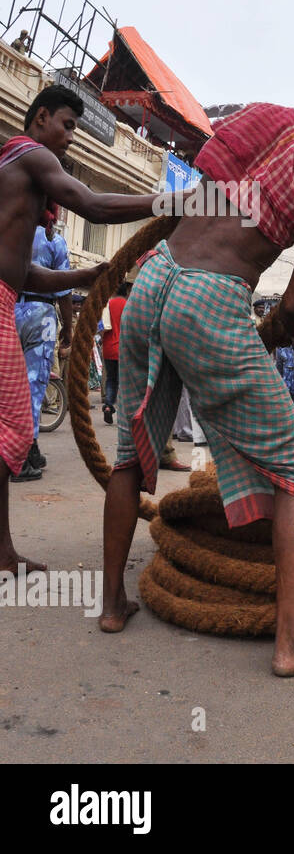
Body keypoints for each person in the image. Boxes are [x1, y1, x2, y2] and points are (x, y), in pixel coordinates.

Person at [101, 73, 294, 676]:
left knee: (131, 450)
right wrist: (276, 332)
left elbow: (201, 197)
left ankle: (110, 605)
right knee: (293, 469)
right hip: (211, 298)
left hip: (156, 277)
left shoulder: (261, 116)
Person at [1, 85, 156, 573]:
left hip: (7, 299)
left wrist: (83, 278)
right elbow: (92, 205)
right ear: (41, 117)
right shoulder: (31, 155)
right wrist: (171, 202)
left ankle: (3, 554)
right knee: (13, 427)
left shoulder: (18, 170)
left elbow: (25, 276)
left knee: (7, 428)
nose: (70, 138)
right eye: (67, 126)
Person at [13, 221, 76, 481]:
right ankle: (23, 457)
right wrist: (68, 328)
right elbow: (63, 289)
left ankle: (31, 447)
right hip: (41, 316)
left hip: (8, 309)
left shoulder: (11, 230)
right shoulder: (54, 240)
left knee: (9, 386)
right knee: (34, 385)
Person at [101, 282, 131, 425]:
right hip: (125, 348)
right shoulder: (129, 305)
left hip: (108, 347)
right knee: (124, 382)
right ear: (126, 291)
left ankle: (108, 405)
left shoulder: (108, 304)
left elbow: (102, 326)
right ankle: (124, 414)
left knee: (111, 379)